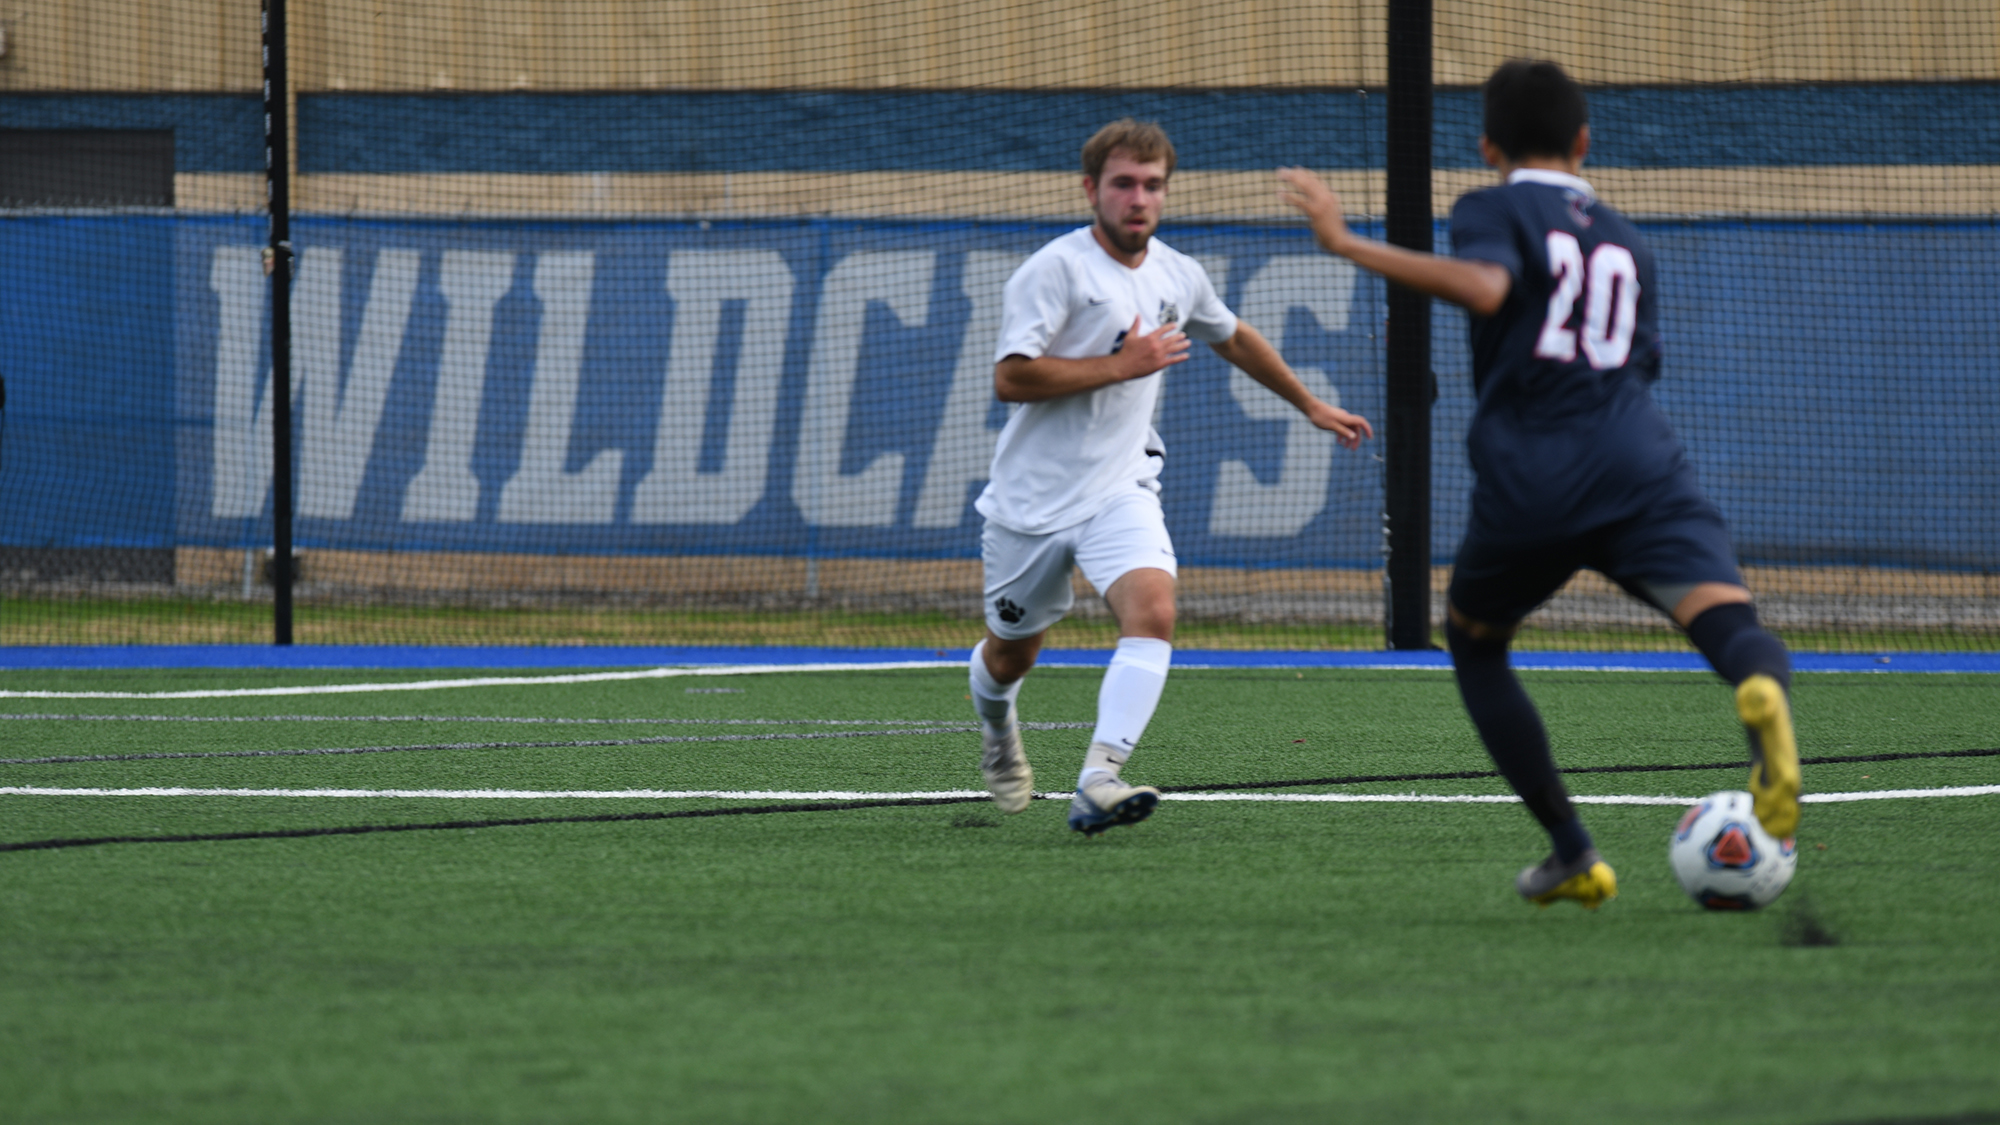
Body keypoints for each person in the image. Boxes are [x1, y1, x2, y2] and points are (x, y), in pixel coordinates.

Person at [1278, 59, 1801, 908]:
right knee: (1727, 617)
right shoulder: (1627, 239)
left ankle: (1573, 851)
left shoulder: (1490, 205)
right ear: (1585, 142)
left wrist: (1344, 242)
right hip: (1640, 465)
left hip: (1534, 474)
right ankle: (1757, 688)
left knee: (1477, 642)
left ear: (1487, 145)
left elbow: (1489, 286)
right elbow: (1639, 361)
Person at [972, 118, 1374, 835]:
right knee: (1010, 656)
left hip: (1121, 488)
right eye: (1123, 183)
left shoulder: (1177, 273)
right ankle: (999, 734)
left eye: (1152, 185)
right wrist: (1121, 365)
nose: (1139, 198)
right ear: (1090, 189)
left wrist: (1308, 402)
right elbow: (1011, 378)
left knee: (1154, 608)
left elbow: (1234, 335)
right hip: (1030, 506)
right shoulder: (1054, 270)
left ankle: (1099, 774)